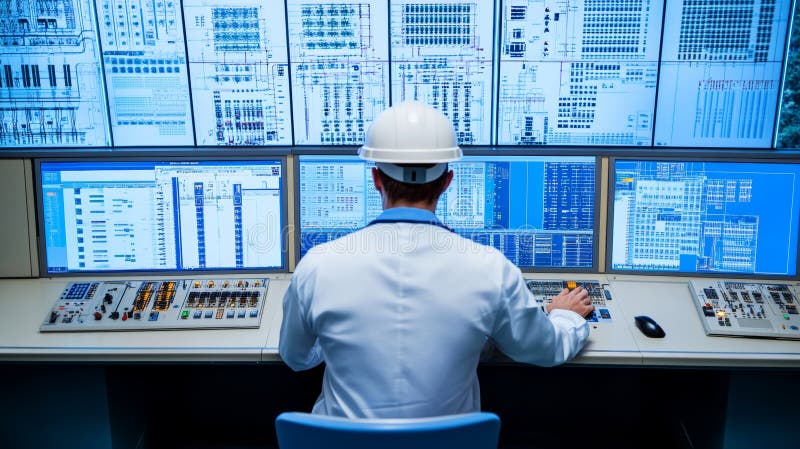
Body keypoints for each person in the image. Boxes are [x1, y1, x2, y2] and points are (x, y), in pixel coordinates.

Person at [279, 101, 593, 419]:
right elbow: (544, 349)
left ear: (375, 179)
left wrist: (335, 338)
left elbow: (296, 358)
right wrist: (564, 318)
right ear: (447, 181)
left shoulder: (317, 267)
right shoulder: (490, 270)